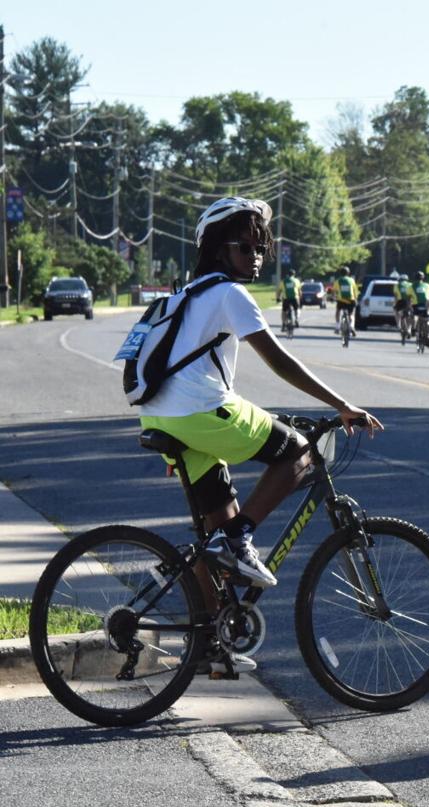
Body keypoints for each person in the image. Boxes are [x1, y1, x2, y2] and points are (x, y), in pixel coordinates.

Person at [136, 197, 381, 675]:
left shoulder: (187, 296)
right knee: (299, 451)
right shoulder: (229, 295)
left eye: (261, 247)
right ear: (216, 250)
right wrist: (340, 405)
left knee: (214, 529)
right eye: (244, 245)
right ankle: (240, 538)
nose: (256, 255)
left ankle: (211, 645)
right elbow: (280, 361)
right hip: (200, 410)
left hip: (162, 417)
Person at [334, 266, 357, 337]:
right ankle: (352, 326)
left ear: (340, 273)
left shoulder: (338, 281)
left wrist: (333, 297)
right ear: (348, 273)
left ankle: (337, 326)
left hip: (341, 300)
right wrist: (355, 298)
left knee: (338, 311)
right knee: (351, 314)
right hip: (351, 300)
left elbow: (334, 291)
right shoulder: (352, 280)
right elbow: (355, 291)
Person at [412, 271, 429, 346]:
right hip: (425, 305)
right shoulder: (427, 285)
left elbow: (408, 297)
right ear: (423, 278)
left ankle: (413, 328)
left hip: (415, 305)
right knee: (426, 320)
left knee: (415, 315)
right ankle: (427, 336)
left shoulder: (411, 286)